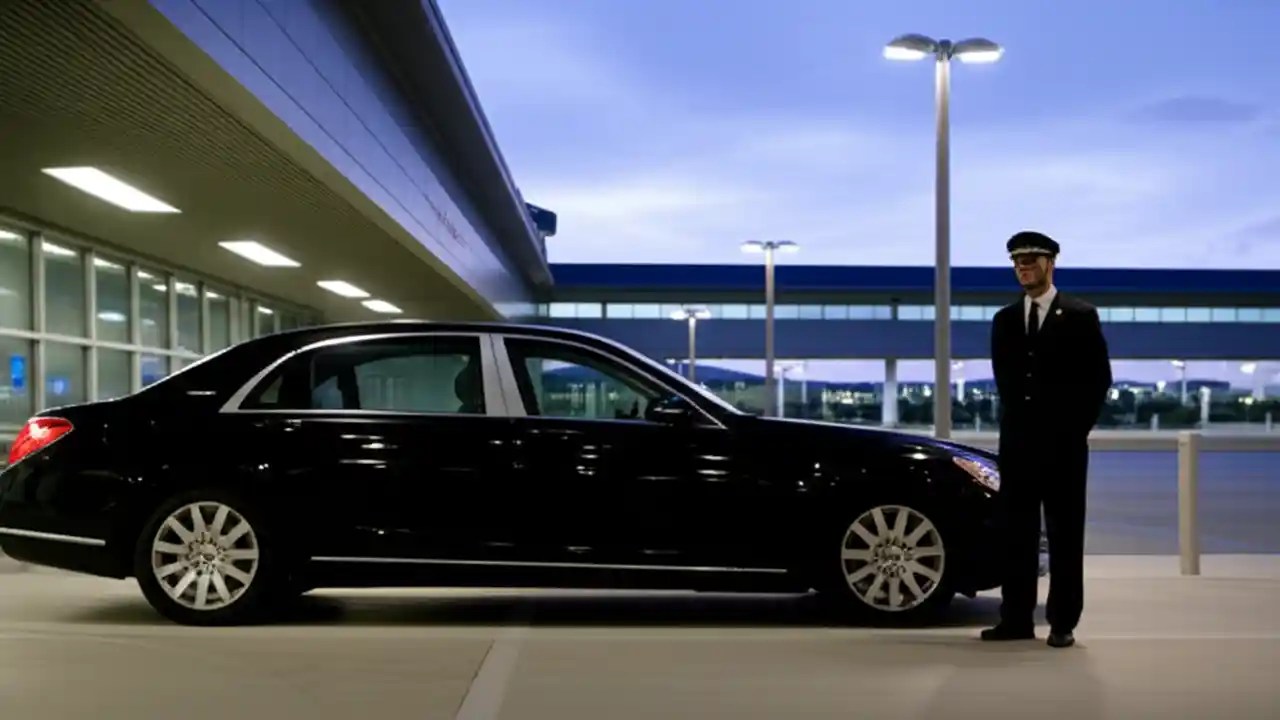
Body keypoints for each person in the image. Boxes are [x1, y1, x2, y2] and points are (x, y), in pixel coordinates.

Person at [980, 230, 1112, 648]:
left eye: (1032, 260)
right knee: (1014, 536)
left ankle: (1062, 622)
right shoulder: (1004, 320)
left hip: (1064, 449)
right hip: (1018, 447)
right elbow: (1006, 383)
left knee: (1065, 536)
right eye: (1018, 262)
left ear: (1051, 263)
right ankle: (1016, 619)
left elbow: (1098, 380)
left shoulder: (1079, 316)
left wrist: (1074, 430)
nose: (1024, 268)